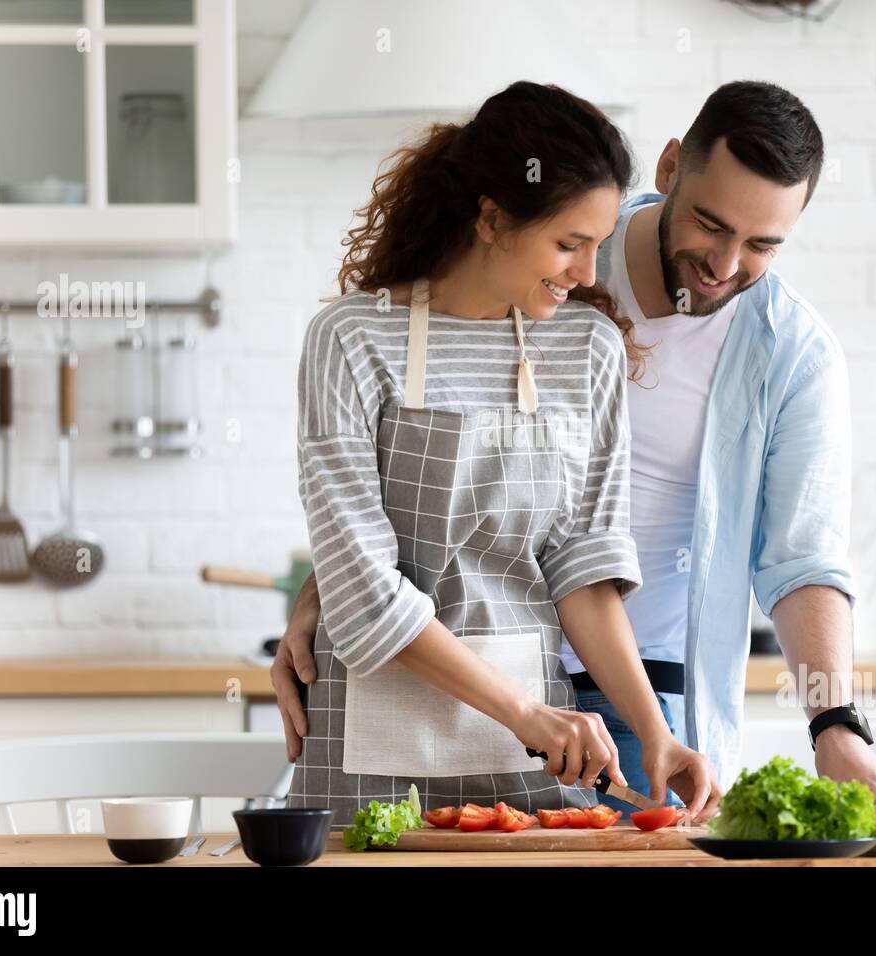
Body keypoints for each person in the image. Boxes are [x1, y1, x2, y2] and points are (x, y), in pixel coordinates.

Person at [279, 80, 876, 816]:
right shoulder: (527, 268)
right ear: (669, 170)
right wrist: (335, 588)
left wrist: (825, 720)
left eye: (762, 244)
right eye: (710, 224)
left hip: (611, 693)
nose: (726, 263)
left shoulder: (745, 352)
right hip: (423, 697)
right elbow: (381, 515)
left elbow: (784, 561)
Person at [285, 80, 720, 826]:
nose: (588, 275)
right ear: (491, 217)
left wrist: (655, 732)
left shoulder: (586, 349)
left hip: (531, 764)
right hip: (370, 761)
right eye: (568, 244)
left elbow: (582, 570)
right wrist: (526, 715)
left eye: (598, 245)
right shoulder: (353, 340)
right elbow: (361, 594)